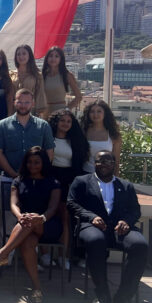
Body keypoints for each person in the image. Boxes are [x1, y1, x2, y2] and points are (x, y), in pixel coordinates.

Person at [67, 151, 148, 303]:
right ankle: (102, 294)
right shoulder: (81, 181)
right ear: (94, 163)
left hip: (120, 228)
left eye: (109, 161)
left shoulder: (125, 185)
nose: (104, 164)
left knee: (140, 245)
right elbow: (71, 203)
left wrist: (126, 221)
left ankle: (124, 297)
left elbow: (135, 210)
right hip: (92, 226)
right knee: (96, 241)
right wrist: (92, 217)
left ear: (114, 164)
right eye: (100, 161)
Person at [0, 147, 61, 303]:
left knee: (30, 221)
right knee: (27, 243)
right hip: (26, 225)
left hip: (48, 224)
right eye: (30, 162)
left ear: (43, 163)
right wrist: (20, 216)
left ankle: (2, 254)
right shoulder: (19, 181)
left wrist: (41, 218)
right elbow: (14, 204)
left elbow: (53, 208)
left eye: (37, 162)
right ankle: (37, 288)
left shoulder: (53, 182)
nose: (32, 166)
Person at [48, 109, 90, 269]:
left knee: (65, 217)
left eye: (68, 121)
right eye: (62, 120)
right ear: (56, 122)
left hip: (68, 180)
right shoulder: (48, 137)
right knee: (46, 214)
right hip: (50, 177)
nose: (65, 124)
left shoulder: (76, 140)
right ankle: (45, 255)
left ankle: (63, 256)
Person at [0, 89, 55, 179]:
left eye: (27, 102)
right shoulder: (2, 125)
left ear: (33, 104)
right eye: (20, 102)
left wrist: (40, 173)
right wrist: (13, 174)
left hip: (37, 179)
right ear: (14, 102)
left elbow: (49, 152)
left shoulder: (43, 126)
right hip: (9, 177)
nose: (23, 106)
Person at [81, 99, 122, 175]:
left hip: (105, 176)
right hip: (85, 175)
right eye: (92, 112)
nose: (95, 114)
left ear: (105, 113)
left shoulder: (114, 135)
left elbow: (116, 161)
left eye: (99, 111)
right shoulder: (83, 132)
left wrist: (116, 180)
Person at [42, 46, 82, 114]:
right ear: (47, 58)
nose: (53, 58)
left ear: (61, 59)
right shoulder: (42, 75)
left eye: (56, 56)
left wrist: (66, 109)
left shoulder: (67, 75)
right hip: (45, 113)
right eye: (51, 56)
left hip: (60, 114)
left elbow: (79, 97)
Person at [11, 44, 47, 117]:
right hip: (13, 112)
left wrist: (38, 113)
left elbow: (40, 94)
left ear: (29, 56)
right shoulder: (11, 74)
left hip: (30, 112)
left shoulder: (37, 75)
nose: (21, 56)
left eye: (24, 53)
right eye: (18, 54)